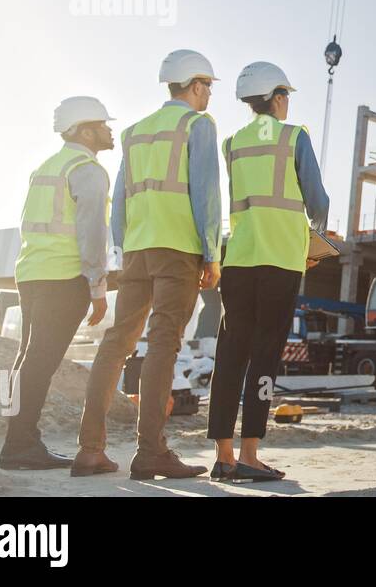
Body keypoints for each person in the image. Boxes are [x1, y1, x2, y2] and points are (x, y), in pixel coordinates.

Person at [73, 49, 222, 480]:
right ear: (194, 86)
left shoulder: (136, 132)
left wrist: (125, 248)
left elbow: (118, 200)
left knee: (118, 342)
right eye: (208, 85)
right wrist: (211, 253)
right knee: (163, 343)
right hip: (177, 249)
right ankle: (151, 451)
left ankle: (89, 450)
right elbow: (206, 194)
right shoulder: (198, 125)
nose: (210, 93)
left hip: (137, 250)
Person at [208, 62, 328, 483]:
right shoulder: (294, 136)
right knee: (264, 356)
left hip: (238, 260)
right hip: (279, 260)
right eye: (286, 95)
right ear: (277, 97)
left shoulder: (232, 143)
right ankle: (251, 454)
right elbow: (317, 200)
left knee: (229, 356)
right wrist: (313, 242)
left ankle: (223, 456)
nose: (288, 102)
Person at [0, 97, 115, 470]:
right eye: (102, 124)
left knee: (28, 359)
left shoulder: (45, 167)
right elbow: (92, 235)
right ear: (84, 129)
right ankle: (19, 447)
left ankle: (17, 442)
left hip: (31, 272)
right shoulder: (87, 169)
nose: (109, 129)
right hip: (63, 277)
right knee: (40, 362)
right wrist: (98, 289)